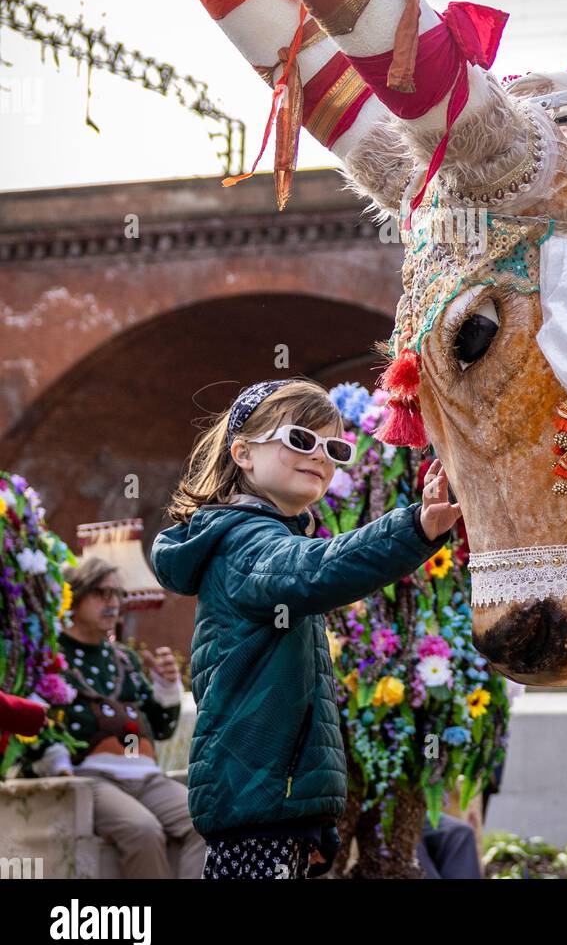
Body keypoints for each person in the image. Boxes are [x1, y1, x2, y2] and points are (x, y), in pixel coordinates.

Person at [152, 375, 460, 880]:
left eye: (334, 447)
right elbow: (313, 570)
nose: (320, 455)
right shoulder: (243, 540)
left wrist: (312, 816)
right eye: (300, 439)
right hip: (255, 808)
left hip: (273, 807)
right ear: (243, 453)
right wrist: (416, 527)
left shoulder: (257, 535)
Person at [28, 555, 205, 878]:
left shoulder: (126, 659)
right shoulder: (51, 656)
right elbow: (37, 724)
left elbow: (162, 728)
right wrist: (56, 763)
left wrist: (167, 686)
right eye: (101, 593)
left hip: (147, 775)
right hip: (93, 777)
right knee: (143, 830)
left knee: (205, 823)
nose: (112, 603)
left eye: (117, 594)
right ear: (74, 597)